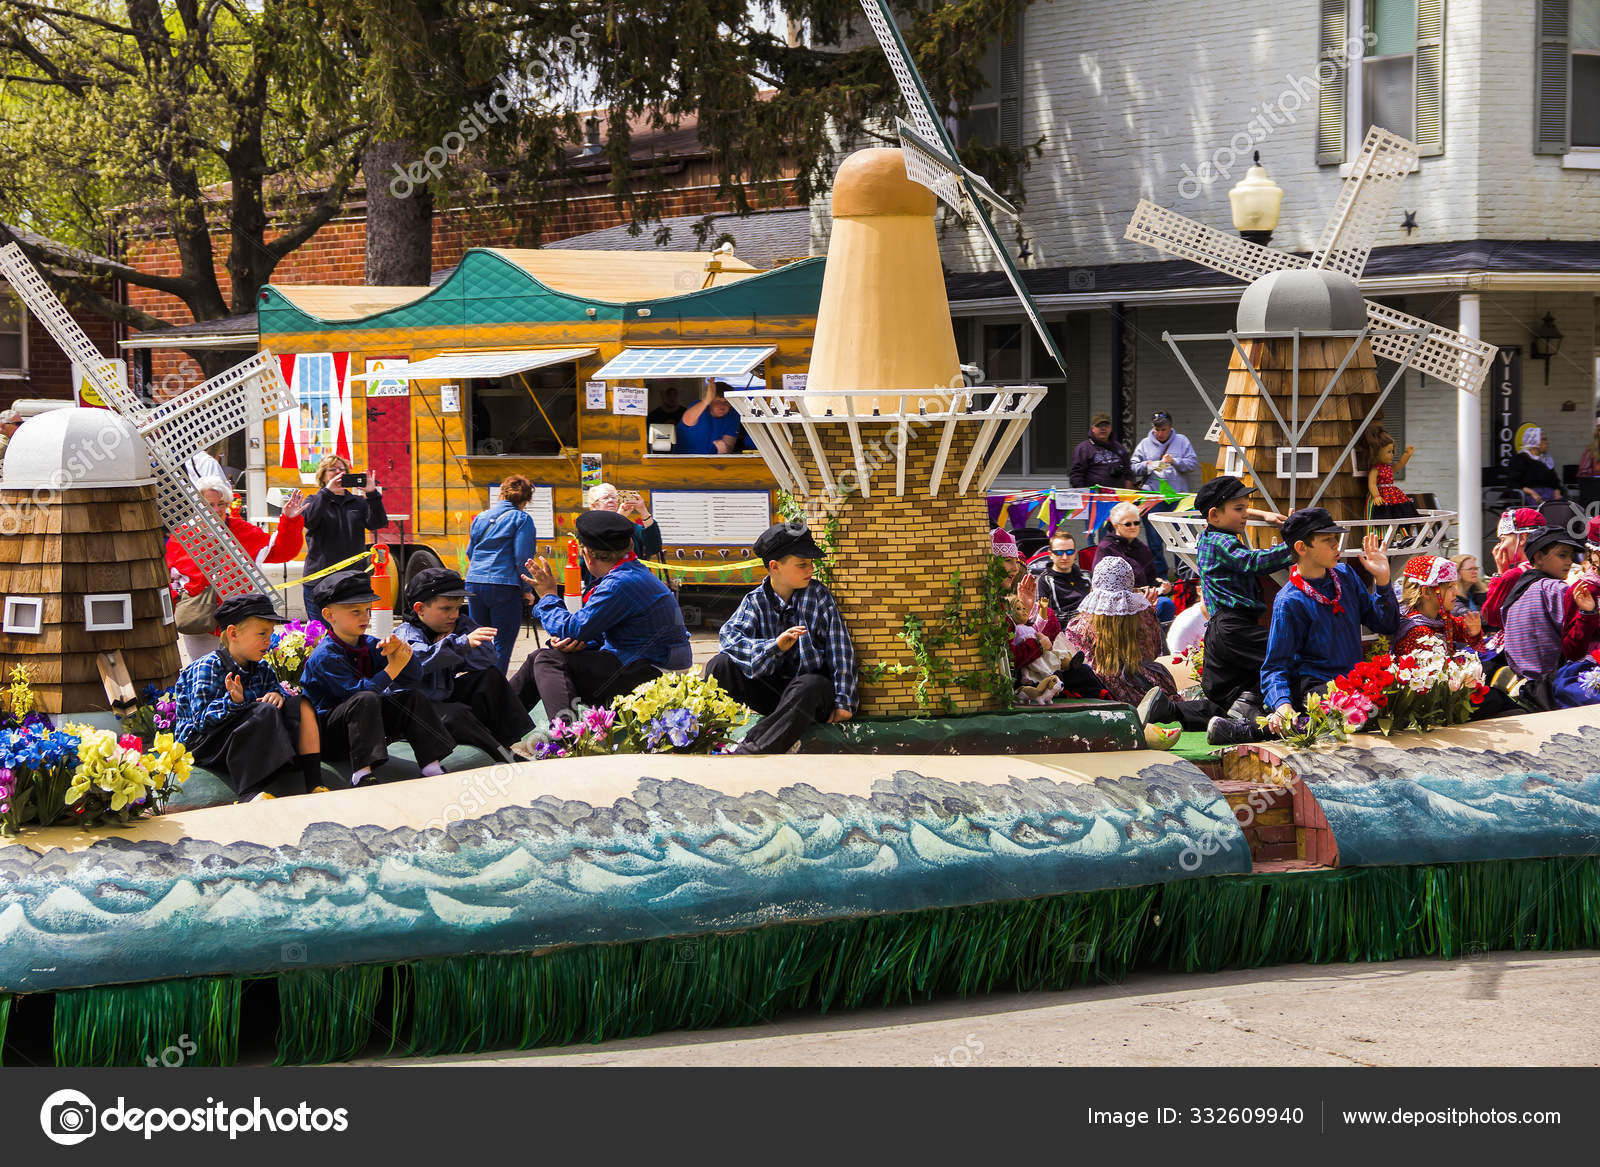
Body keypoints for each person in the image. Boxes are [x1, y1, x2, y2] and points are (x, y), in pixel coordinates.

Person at [520, 510, 693, 719]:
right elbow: (595, 629)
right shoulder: (630, 573)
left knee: (548, 660)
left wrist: (547, 595)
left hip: (655, 676)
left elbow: (573, 628)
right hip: (644, 666)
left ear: (588, 555)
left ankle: (568, 739)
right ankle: (493, 728)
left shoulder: (620, 583)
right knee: (537, 657)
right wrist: (581, 642)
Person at [704, 521, 857, 754]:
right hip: (774, 693)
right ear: (775, 567)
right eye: (802, 564)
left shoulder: (819, 597)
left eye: (811, 563)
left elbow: (841, 651)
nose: (811, 570)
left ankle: (752, 748)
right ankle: (702, 736)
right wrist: (773, 646)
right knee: (720, 664)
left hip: (810, 696)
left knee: (809, 685)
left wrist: (844, 701)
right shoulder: (755, 601)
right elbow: (729, 640)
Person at [300, 570, 456, 784]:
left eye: (367, 610)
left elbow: (413, 677)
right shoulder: (325, 655)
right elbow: (355, 693)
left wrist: (402, 653)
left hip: (364, 727)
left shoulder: (371, 644)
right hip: (329, 737)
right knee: (365, 698)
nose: (365, 617)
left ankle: (430, 765)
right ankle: (361, 774)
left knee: (411, 698)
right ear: (329, 615)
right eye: (356, 612)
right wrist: (391, 669)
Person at [174, 593, 325, 801]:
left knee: (300, 704)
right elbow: (201, 721)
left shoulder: (262, 667)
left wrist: (277, 694)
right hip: (200, 746)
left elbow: (275, 698)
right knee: (263, 711)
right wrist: (233, 702)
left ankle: (314, 783)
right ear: (233, 634)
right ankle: (249, 792)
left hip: (242, 739)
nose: (268, 640)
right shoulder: (208, 666)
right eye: (262, 634)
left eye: (271, 633)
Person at [1261, 508, 1399, 733]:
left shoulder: (1345, 575)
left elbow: (1385, 624)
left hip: (1355, 685)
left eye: (1336, 538)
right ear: (1301, 547)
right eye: (1328, 540)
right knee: (1362, 712)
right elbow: (1276, 665)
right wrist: (1283, 704)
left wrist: (1383, 580)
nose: (1337, 545)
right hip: (1318, 690)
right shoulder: (1288, 601)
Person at [1058, 557, 1216, 731]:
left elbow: (1078, 664)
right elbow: (1155, 651)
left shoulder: (1078, 625)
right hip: (1146, 687)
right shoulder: (1145, 615)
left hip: (1104, 694)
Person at [1189, 476, 1291, 744]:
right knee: (1284, 653)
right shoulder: (1223, 542)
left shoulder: (1209, 535)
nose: (1245, 515)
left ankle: (1172, 710)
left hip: (1223, 629)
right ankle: (1254, 713)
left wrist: (1264, 514)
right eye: (1239, 509)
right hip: (1234, 628)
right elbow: (1251, 562)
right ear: (1215, 514)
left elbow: (1229, 512)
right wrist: (1294, 546)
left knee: (1231, 692)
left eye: (1247, 508)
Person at [394, 567, 532, 763]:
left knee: (490, 677)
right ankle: (502, 755)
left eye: (458, 608)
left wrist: (452, 647)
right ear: (420, 609)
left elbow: (488, 656)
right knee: (455, 715)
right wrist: (459, 645)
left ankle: (506, 741)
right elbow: (419, 662)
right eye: (446, 609)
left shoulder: (459, 625)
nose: (454, 615)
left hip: (442, 699)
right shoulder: (406, 634)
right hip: (412, 713)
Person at [166, 475, 306, 663]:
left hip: (240, 619)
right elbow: (170, 580)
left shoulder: (242, 530)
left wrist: (289, 520)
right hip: (201, 622)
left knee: (241, 673)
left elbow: (283, 551)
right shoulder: (183, 536)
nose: (216, 510)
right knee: (204, 672)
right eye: (210, 504)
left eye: (221, 504)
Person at [466, 475, 539, 672]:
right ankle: (496, 693)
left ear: (502, 493)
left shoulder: (481, 517)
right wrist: (526, 589)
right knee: (502, 643)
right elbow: (522, 557)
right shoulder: (522, 519)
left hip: (474, 582)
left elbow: (469, 552)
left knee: (479, 641)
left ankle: (476, 689)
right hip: (504, 585)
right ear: (526, 500)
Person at [300, 454, 386, 619]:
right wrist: (326, 493)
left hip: (352, 579)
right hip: (319, 579)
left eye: (342, 469)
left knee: (350, 631)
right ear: (323, 476)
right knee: (320, 633)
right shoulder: (313, 500)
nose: (338, 473)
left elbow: (378, 523)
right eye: (332, 470)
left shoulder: (357, 502)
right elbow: (309, 522)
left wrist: (372, 494)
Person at [1130, 411, 1198, 578]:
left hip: (1177, 498)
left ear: (1170, 428)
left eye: (1163, 429)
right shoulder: (1145, 443)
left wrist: (1175, 461)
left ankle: (1183, 576)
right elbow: (1132, 466)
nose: (1159, 432)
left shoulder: (1182, 441)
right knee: (1154, 539)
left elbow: (1193, 463)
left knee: (1181, 537)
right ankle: (1160, 576)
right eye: (1156, 429)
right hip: (1153, 498)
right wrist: (1146, 465)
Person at [1095, 502, 1174, 621]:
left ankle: (1159, 638)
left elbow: (1152, 578)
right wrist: (1138, 592)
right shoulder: (1106, 548)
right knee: (1163, 604)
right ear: (1116, 525)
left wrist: (1162, 586)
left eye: (1136, 523)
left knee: (1166, 604)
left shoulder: (1142, 548)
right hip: (1117, 605)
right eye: (1128, 524)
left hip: (1145, 600)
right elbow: (1101, 586)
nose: (1133, 527)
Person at [1394, 555, 1483, 656]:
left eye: (1455, 585)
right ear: (1426, 592)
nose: (1456, 592)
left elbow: (1460, 630)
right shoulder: (1417, 633)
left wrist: (1473, 632)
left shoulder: (1441, 619)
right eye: (1450, 587)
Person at [581, 482, 663, 588]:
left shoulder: (629, 527)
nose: (611, 500)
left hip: (633, 585)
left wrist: (643, 511)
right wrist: (618, 519)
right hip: (600, 586)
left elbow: (654, 546)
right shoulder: (587, 527)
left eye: (614, 497)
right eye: (605, 498)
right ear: (593, 506)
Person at [1068, 412, 1134, 496]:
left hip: (1118, 497)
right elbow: (1076, 475)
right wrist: (1084, 495)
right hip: (1094, 498)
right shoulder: (1083, 449)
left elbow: (1128, 471)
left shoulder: (1119, 447)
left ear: (1110, 428)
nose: (1103, 429)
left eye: (1106, 426)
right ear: (1092, 429)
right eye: (1099, 426)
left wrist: (1128, 493)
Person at [1362, 425, 1418, 523]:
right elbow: (1372, 484)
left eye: (1392, 451)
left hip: (1392, 495)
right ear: (1376, 453)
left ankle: (1401, 529)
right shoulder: (1375, 469)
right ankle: (1383, 533)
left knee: (1399, 511)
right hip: (1382, 495)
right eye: (1388, 452)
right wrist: (1376, 496)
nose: (1392, 454)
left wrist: (1407, 455)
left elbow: (1400, 464)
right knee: (1384, 514)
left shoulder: (1388, 468)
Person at [675, 383, 748, 454]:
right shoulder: (699, 406)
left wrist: (723, 449)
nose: (722, 405)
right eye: (718, 401)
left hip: (712, 463)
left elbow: (728, 445)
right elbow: (687, 421)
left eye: (726, 402)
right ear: (710, 401)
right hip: (683, 460)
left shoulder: (732, 415)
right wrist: (706, 400)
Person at [1031, 531, 1089, 620]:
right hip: (1064, 630)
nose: (1065, 557)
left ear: (1075, 553)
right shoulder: (1044, 581)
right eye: (1059, 553)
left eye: (1069, 552)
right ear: (1050, 554)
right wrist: (1078, 616)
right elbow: (1043, 617)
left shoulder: (1087, 576)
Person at [1506, 426, 1565, 503]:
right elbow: (1513, 482)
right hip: (1527, 495)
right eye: (1543, 440)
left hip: (1548, 494)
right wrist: (1532, 492)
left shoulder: (1546, 460)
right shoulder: (1520, 459)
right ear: (1534, 442)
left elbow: (1555, 482)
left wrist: (1557, 491)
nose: (1547, 442)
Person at [0, 408, 20, 476]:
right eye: (17, 424)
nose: (20, 426)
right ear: (2, 425)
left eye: (22, 423)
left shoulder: (13, 440)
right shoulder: (2, 444)